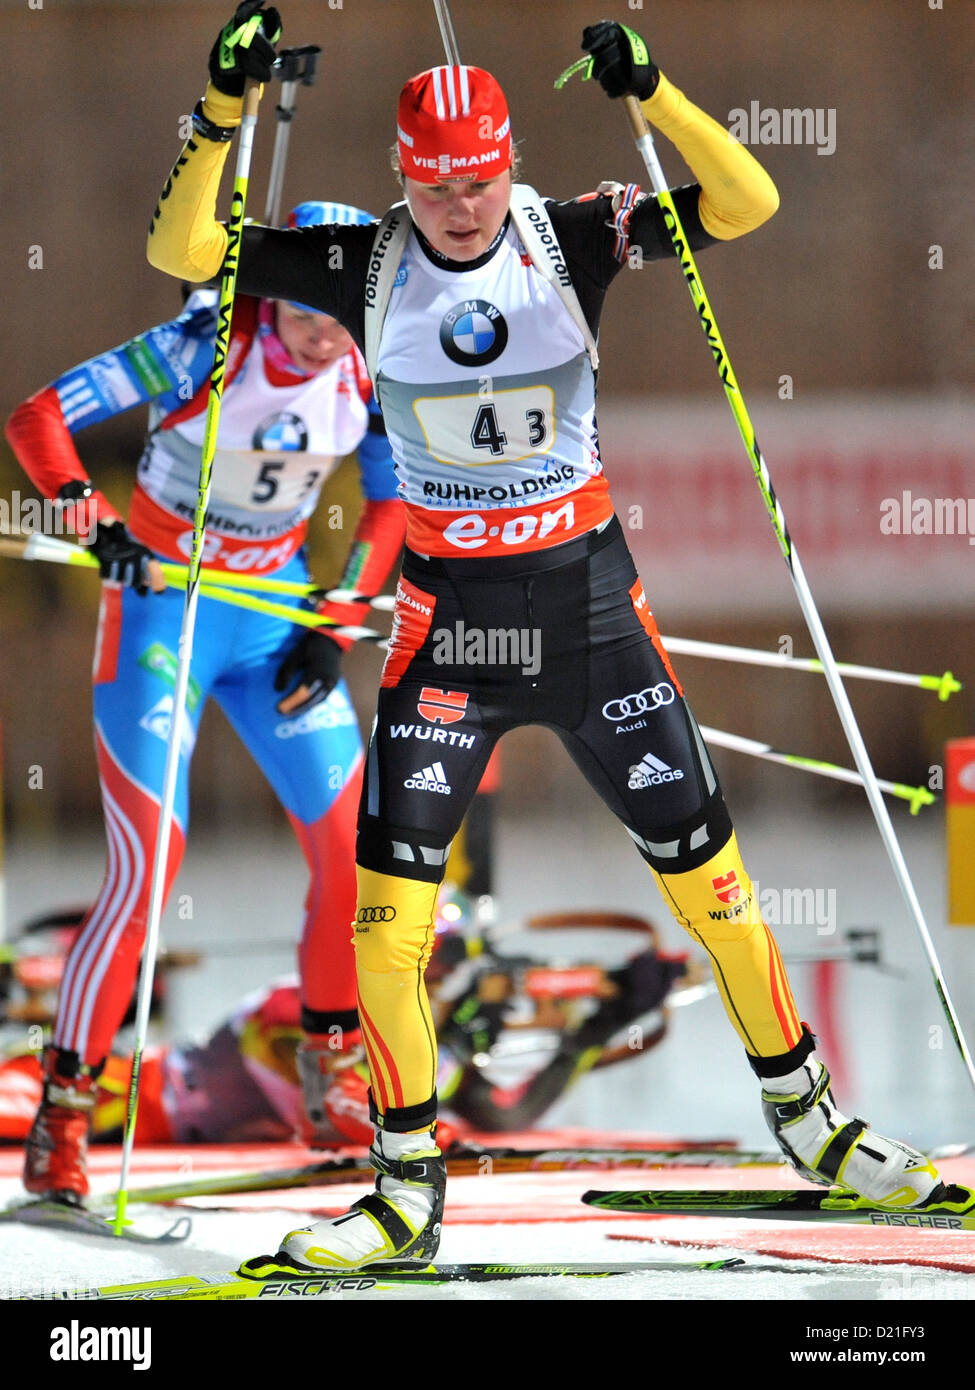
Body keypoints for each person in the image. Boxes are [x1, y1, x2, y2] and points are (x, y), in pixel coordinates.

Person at [146, 6, 947, 1271]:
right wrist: (220, 106)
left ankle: (810, 1119)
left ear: (509, 161)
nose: (462, 204)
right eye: (435, 181)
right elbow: (181, 244)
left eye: (480, 176)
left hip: (588, 621)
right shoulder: (359, 265)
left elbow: (747, 205)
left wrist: (663, 89)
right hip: (447, 637)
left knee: (717, 889)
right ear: (401, 176)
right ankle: (405, 1183)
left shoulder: (569, 235)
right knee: (386, 929)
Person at [5, 197, 406, 1205]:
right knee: (149, 871)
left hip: (270, 614)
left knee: (354, 851)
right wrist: (95, 523)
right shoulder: (203, 346)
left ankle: (332, 1070)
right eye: (306, 306)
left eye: (341, 309)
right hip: (162, 615)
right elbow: (38, 418)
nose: (324, 331)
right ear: (270, 291)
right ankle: (63, 1111)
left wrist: (341, 610)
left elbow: (393, 495)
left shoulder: (367, 367)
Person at [0, 893, 686, 1147]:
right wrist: (448, 1048)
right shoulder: (296, 1002)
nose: (438, 984)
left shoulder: (405, 1036)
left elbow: (497, 1115)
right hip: (121, 1097)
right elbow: (329, 1118)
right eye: (429, 965)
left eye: (445, 970)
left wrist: (592, 1034)